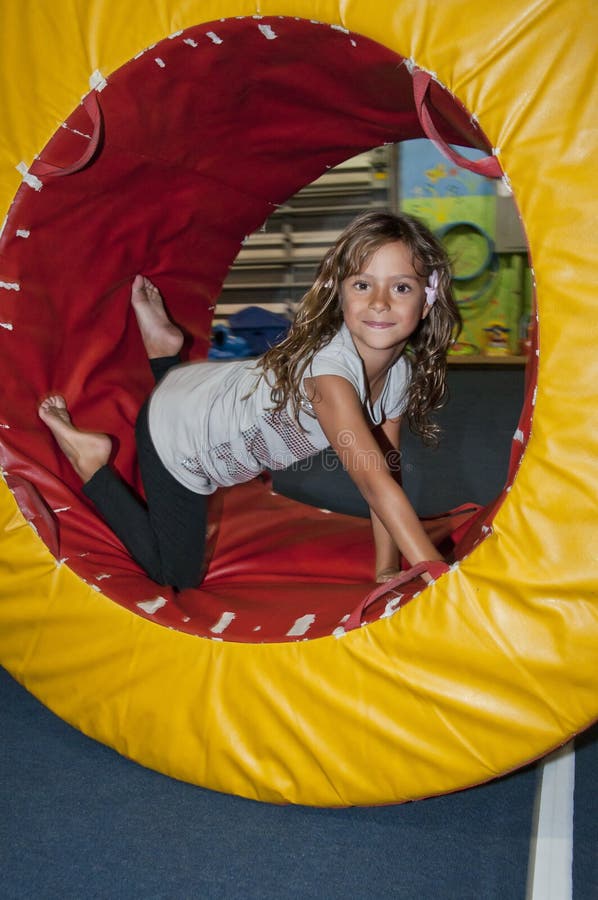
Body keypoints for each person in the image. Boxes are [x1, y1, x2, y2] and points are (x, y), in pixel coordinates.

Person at [39, 210, 460, 590]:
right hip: (177, 439)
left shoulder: (398, 373)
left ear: (427, 301)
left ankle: (165, 353)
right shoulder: (330, 377)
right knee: (174, 577)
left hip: (206, 388)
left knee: (228, 404)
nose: (380, 303)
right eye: (363, 285)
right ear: (341, 294)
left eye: (401, 287)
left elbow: (386, 470)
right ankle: (91, 461)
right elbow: (373, 483)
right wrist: (434, 572)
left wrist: (387, 568)